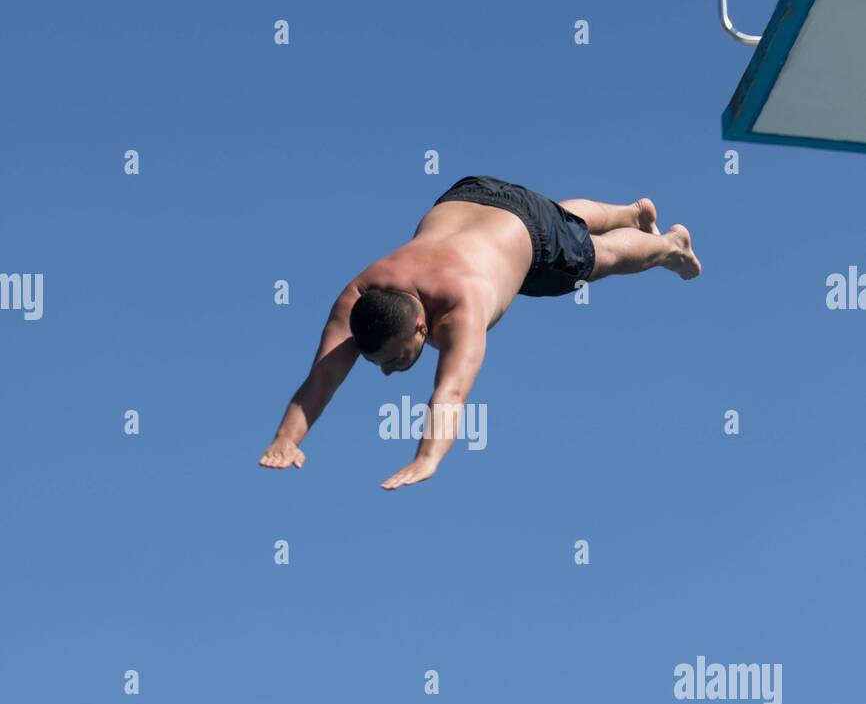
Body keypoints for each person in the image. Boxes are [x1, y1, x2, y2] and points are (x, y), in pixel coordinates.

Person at [259, 175, 700, 489]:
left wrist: (427, 457)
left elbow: (449, 394)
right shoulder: (359, 294)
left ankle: (668, 246)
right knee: (559, 217)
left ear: (421, 324)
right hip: (467, 195)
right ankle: (627, 212)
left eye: (394, 358)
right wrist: (286, 439)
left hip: (532, 237)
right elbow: (321, 377)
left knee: (600, 257)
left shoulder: (460, 308)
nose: (389, 373)